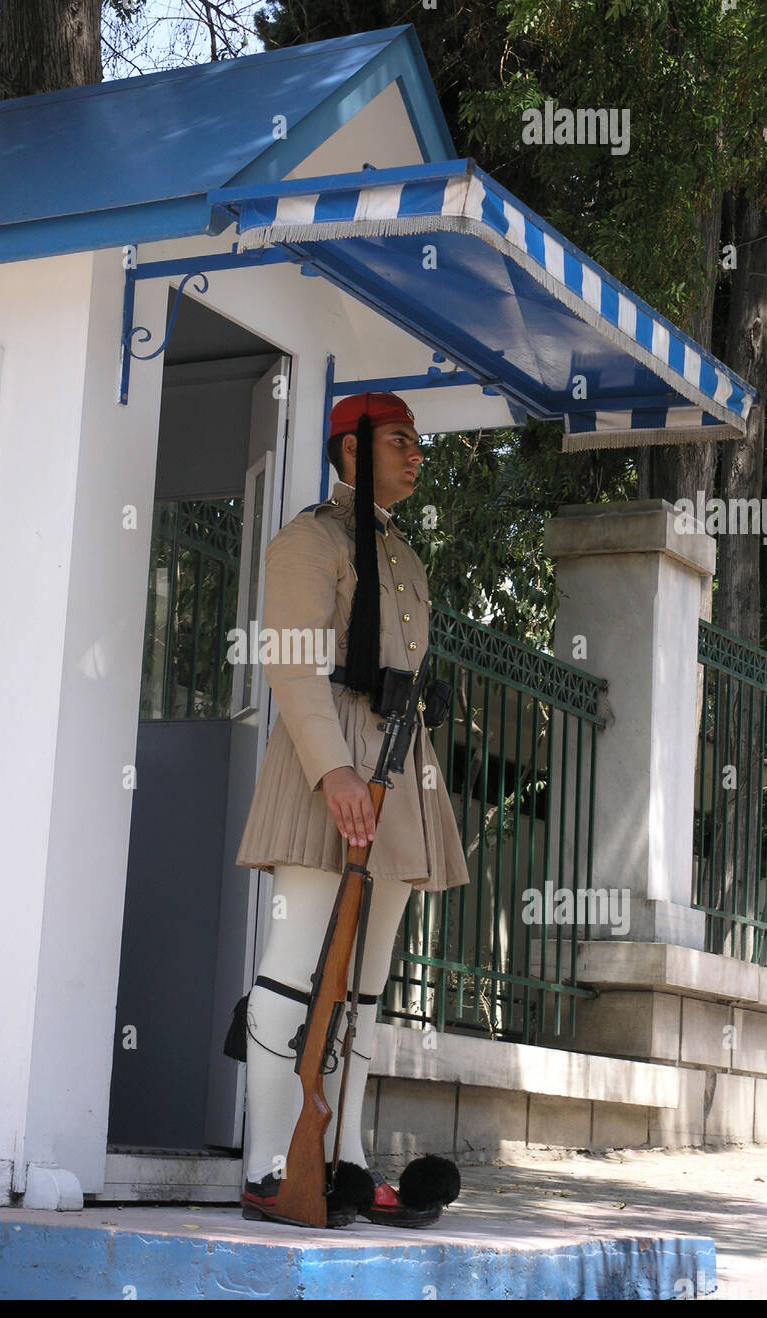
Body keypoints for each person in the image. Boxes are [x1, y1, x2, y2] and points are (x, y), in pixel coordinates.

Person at [234, 391, 470, 1227]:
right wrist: (332, 770)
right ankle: (270, 1161)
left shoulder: (399, 551)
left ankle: (345, 1161)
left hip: (398, 759)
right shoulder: (310, 540)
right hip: (328, 752)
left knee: (365, 982)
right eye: (399, 441)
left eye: (416, 441)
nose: (415, 455)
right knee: (295, 964)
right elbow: (292, 665)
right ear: (350, 449)